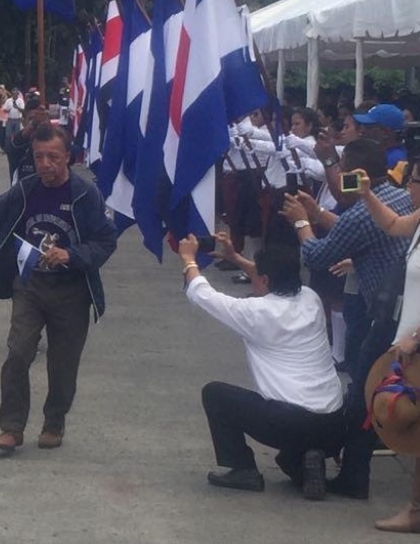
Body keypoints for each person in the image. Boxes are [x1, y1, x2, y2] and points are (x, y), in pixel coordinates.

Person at [0, 122, 117, 452]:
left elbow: (105, 240)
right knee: (17, 353)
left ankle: (54, 422)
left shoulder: (86, 194)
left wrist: (71, 255)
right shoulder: (26, 190)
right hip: (30, 285)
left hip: (72, 291)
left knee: (63, 364)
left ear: (68, 157)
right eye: (39, 156)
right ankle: (12, 428)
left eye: (53, 157)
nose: (45, 164)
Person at [281, 138, 413, 500]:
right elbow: (365, 226)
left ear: (356, 175)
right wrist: (320, 215)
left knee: (362, 392)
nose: (338, 179)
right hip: (401, 309)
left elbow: (317, 255)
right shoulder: (399, 196)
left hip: (389, 316)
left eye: (342, 172)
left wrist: (302, 221)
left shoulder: (361, 214)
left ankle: (355, 474)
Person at [177, 234, 344, 499]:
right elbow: (275, 275)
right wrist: (235, 258)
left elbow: (202, 294)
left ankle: (243, 468)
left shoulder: (256, 312)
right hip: (333, 423)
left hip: (288, 422)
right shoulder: (311, 298)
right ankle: (306, 461)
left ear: (264, 280)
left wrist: (188, 259)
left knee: (215, 394)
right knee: (288, 460)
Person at [354, 162, 420, 530]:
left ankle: (416, 510)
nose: (408, 186)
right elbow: (394, 224)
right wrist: (366, 195)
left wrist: (416, 337)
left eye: (414, 180)